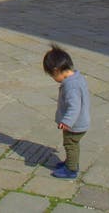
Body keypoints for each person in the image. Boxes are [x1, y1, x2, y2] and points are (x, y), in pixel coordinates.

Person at [42, 44, 91, 180]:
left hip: (75, 124)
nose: (54, 79)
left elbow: (74, 107)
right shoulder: (77, 77)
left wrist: (66, 121)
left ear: (57, 70)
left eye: (52, 76)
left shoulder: (71, 86)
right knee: (71, 145)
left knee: (70, 145)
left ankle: (71, 169)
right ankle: (70, 162)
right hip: (80, 121)